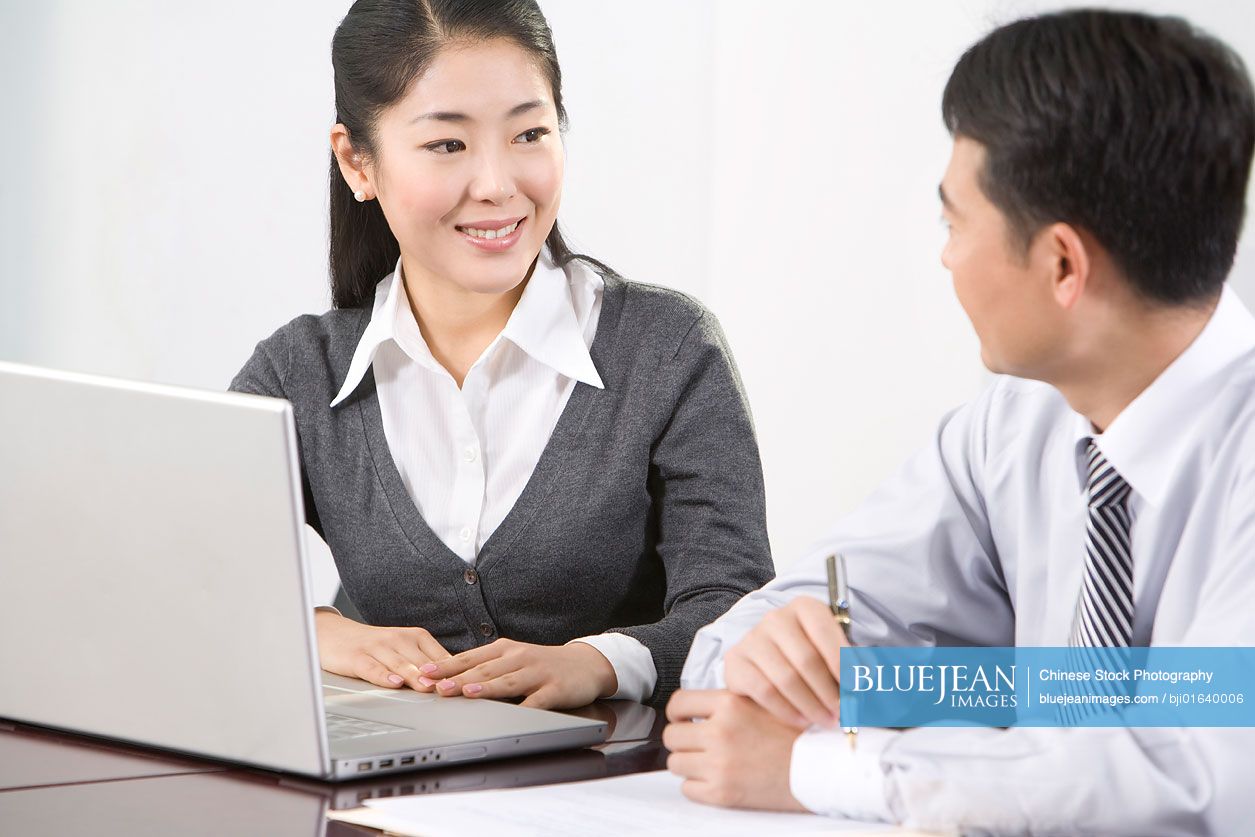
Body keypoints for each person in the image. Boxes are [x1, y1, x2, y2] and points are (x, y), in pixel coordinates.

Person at [666, 9, 1255, 834]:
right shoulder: (1012, 427)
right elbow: (745, 648)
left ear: (1060, 264)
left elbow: (1206, 775)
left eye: (954, 221)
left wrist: (820, 768)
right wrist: (774, 661)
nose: (944, 255)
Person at [230, 0, 773, 712]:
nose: (497, 183)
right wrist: (316, 630)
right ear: (357, 161)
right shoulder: (299, 373)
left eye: (528, 133)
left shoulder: (666, 350)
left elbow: (736, 609)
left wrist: (600, 662)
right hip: (382, 795)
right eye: (448, 145)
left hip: (606, 792)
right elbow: (186, 579)